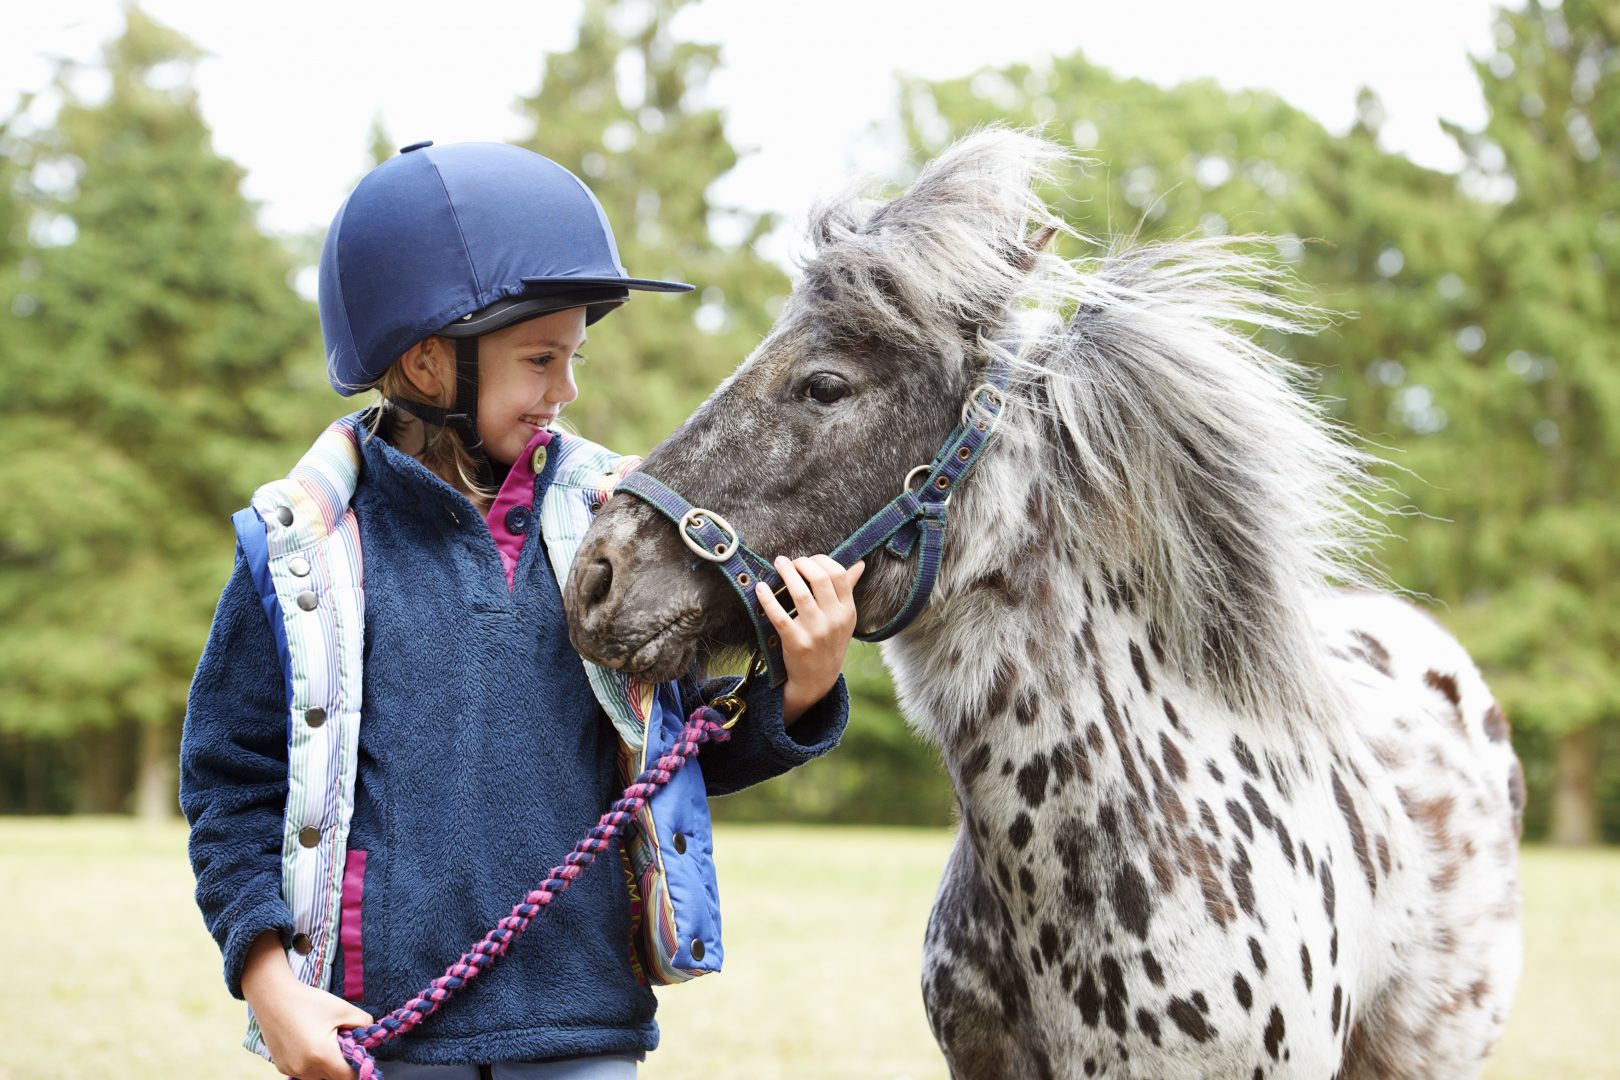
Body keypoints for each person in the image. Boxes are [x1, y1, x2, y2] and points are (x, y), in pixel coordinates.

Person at [180, 141, 864, 1080]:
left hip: (585, 1031)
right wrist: (269, 982)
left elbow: (676, 769)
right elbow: (230, 788)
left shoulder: (616, 535)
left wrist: (802, 685)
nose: (568, 390)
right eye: (541, 358)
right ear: (427, 363)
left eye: (574, 356)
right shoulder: (298, 549)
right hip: (376, 1032)